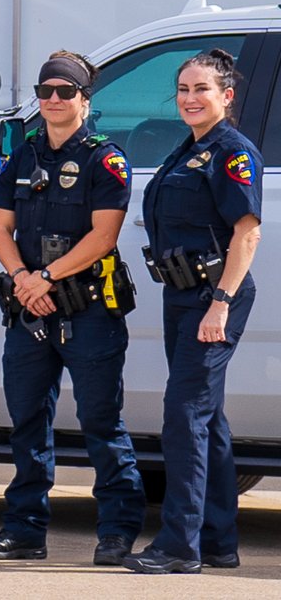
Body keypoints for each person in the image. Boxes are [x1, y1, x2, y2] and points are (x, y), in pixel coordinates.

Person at [0, 52, 144, 566]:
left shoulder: (104, 159)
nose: (53, 99)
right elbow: (0, 229)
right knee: (27, 421)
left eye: (65, 91)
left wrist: (45, 277)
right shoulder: (22, 157)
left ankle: (116, 531)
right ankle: (24, 530)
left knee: (100, 421)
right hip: (30, 309)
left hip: (88, 311)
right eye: (45, 90)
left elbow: (103, 236)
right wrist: (22, 279)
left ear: (84, 100)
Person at [125, 47, 262, 575]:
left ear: (227, 96)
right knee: (208, 418)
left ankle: (179, 546)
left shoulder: (232, 152)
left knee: (183, 415)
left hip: (213, 297)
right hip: (182, 295)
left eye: (201, 89)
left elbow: (246, 234)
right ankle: (218, 540)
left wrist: (220, 304)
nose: (189, 98)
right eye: (183, 90)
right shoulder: (189, 148)